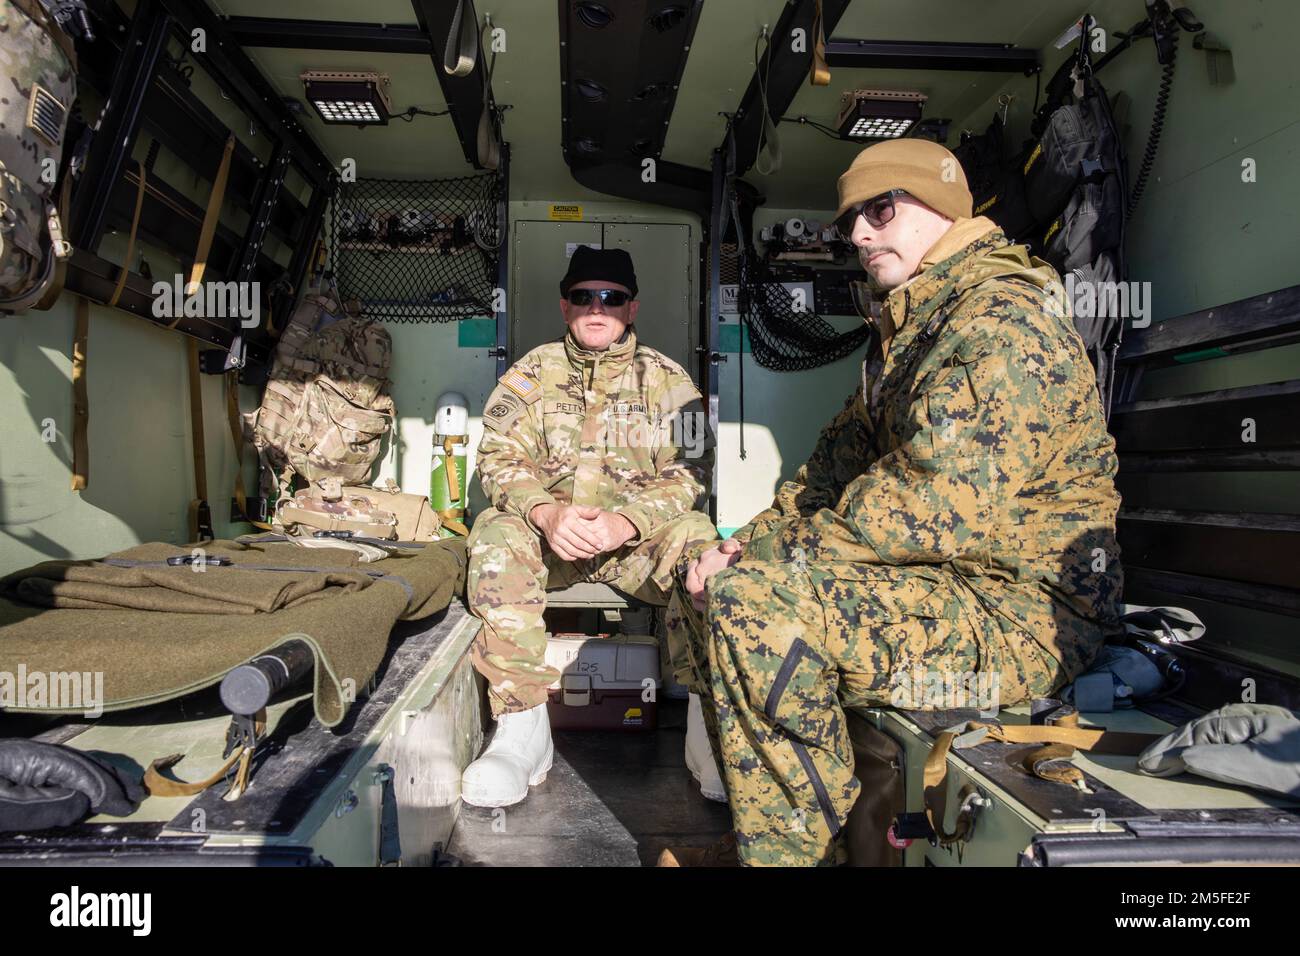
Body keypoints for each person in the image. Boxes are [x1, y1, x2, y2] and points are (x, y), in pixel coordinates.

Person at [659, 138, 1123, 866]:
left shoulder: (1000, 322)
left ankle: (796, 858)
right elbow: (826, 474)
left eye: (881, 209)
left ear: (942, 207)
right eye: (851, 219)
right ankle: (775, 834)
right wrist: (736, 545)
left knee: (754, 602)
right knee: (703, 583)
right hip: (942, 584)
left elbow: (928, 505)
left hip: (1021, 617)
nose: (859, 233)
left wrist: (756, 563)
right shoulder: (910, 330)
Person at [463, 245, 721, 808]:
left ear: (631, 308)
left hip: (635, 542)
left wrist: (628, 521)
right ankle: (522, 731)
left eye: (611, 297)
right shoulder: (530, 375)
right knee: (494, 535)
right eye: (583, 297)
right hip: (551, 541)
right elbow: (499, 457)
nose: (596, 308)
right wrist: (544, 512)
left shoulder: (668, 382)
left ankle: (708, 727)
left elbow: (693, 471)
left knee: (703, 546)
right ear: (564, 307)